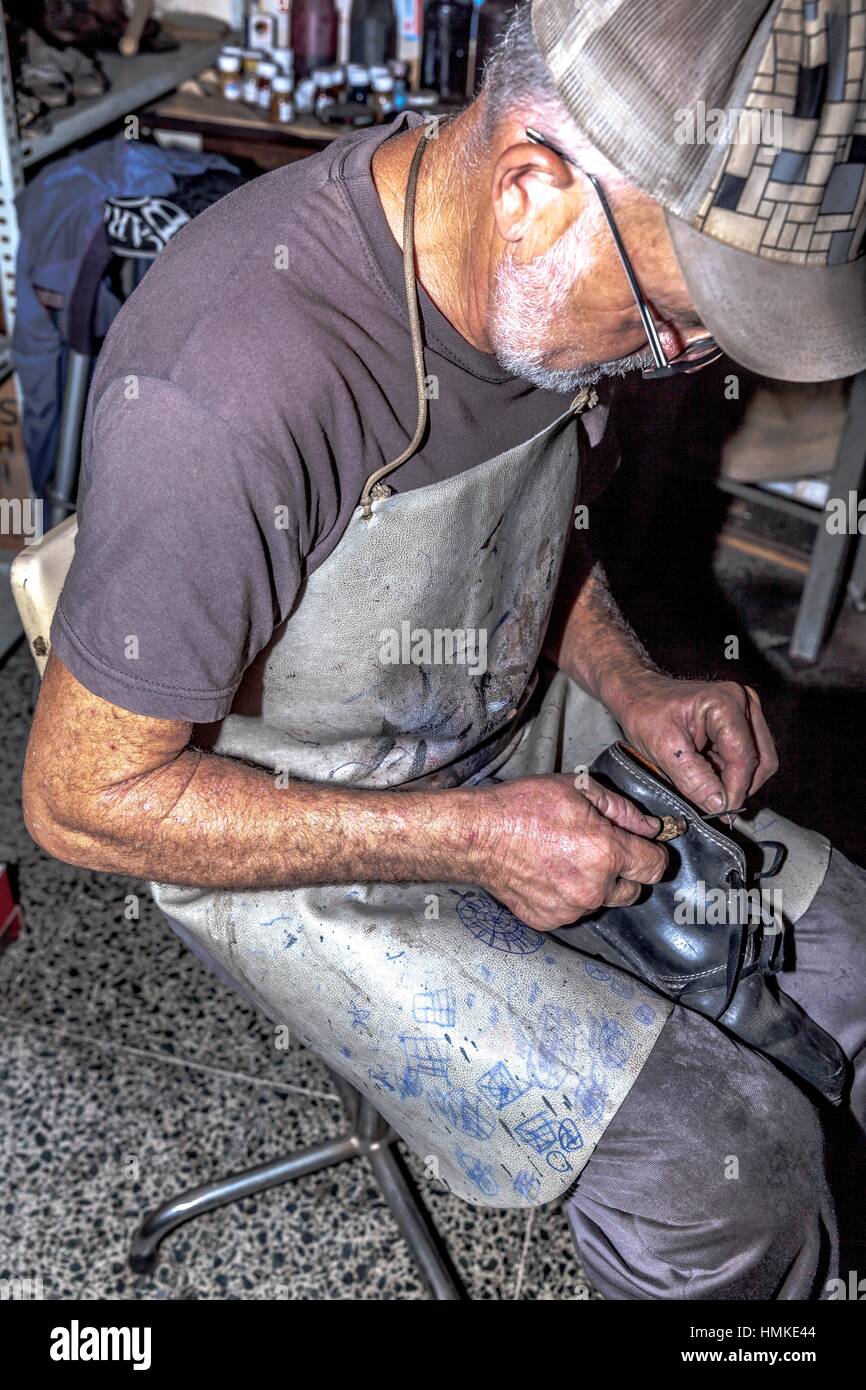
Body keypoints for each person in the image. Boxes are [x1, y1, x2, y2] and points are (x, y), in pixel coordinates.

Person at [23, 0, 866, 1298]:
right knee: (724, 1170)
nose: (678, 357)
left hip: (489, 715)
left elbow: (518, 534)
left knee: (855, 950)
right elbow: (82, 801)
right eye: (676, 319)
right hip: (276, 831)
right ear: (532, 187)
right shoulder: (234, 394)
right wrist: (475, 840)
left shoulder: (533, 280)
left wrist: (628, 679)